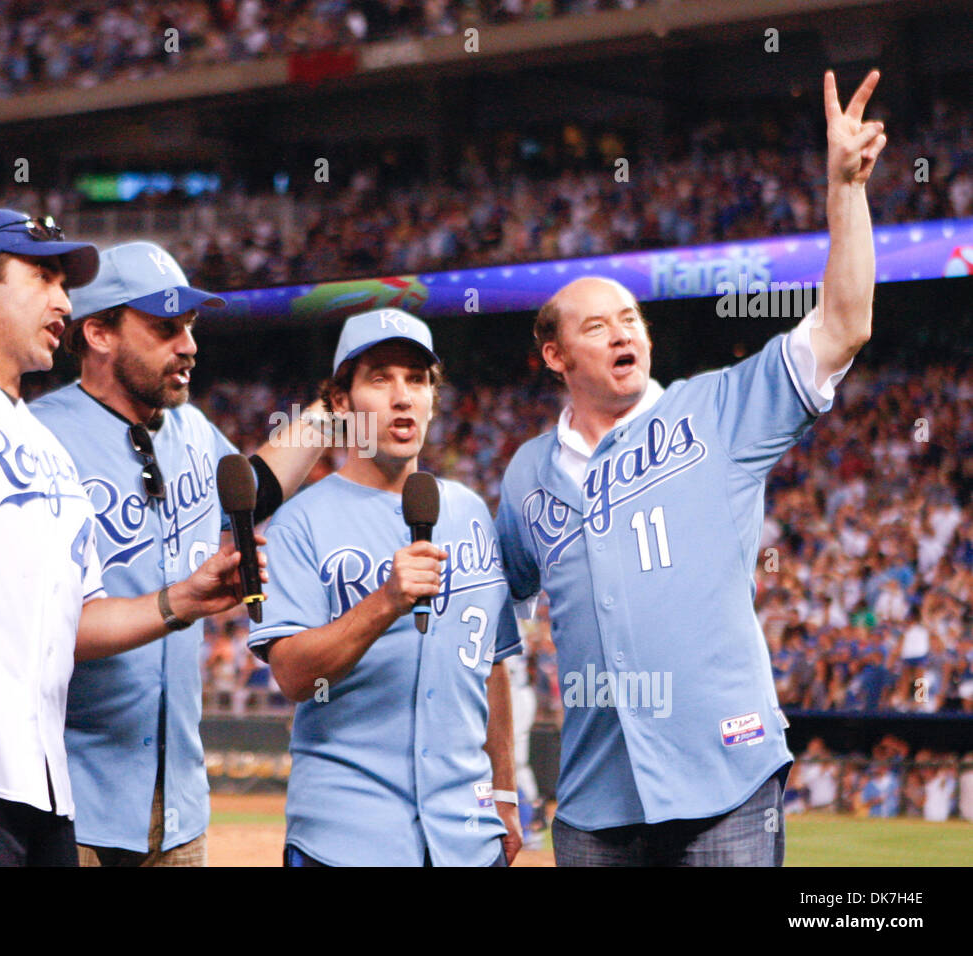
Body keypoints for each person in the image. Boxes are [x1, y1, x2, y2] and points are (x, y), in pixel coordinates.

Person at [0, 14, 257, 867]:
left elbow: (75, 622)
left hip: (40, 781)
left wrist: (185, 598)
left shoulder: (46, 449)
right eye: (45, 277)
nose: (66, 301)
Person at [493, 69, 887, 866]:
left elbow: (844, 324)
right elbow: (498, 627)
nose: (619, 333)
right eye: (595, 325)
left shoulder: (717, 412)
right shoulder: (526, 476)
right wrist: (501, 779)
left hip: (726, 780)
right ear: (553, 354)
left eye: (629, 319)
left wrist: (844, 189)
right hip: (595, 803)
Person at [30, 241, 324, 866]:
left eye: (189, 327)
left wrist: (335, 404)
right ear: (100, 333)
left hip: (181, 805)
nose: (188, 345)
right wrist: (180, 600)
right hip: (72, 799)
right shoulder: (38, 436)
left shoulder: (192, 430)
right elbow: (33, 626)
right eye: (165, 328)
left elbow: (257, 487)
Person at [248, 309, 524, 866]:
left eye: (417, 379)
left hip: (466, 837)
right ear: (342, 404)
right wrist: (384, 604)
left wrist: (505, 790)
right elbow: (294, 675)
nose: (403, 396)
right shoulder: (299, 522)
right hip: (346, 840)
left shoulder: (470, 511)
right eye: (380, 378)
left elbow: (492, 662)